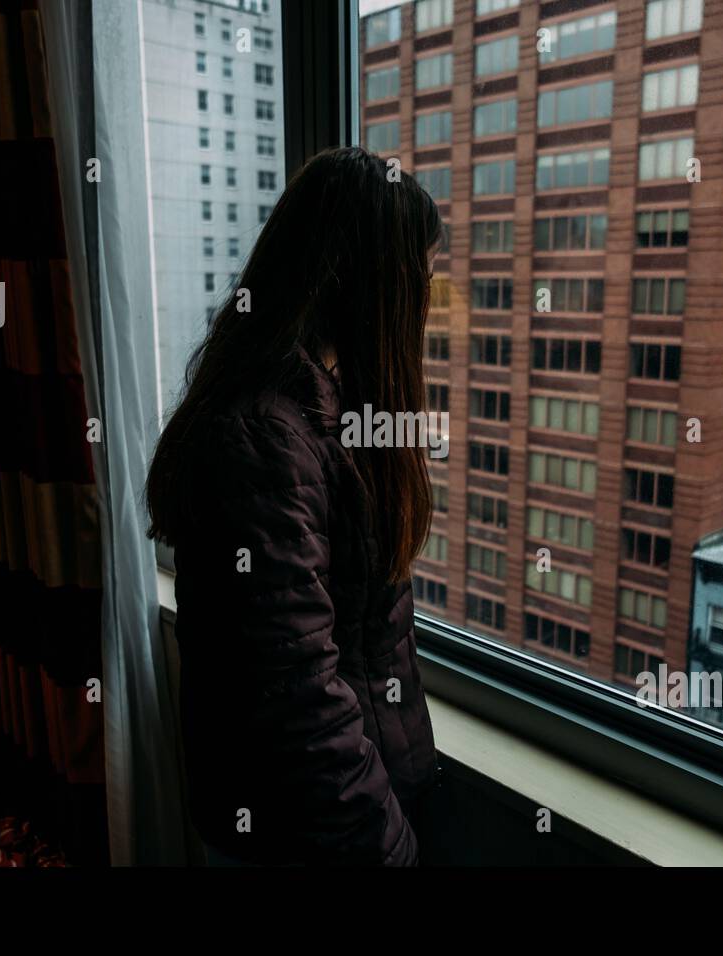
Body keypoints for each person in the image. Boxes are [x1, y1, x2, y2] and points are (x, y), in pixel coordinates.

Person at [146, 147, 445, 866]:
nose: (432, 301)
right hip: (302, 838)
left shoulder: (320, 412)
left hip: (331, 818)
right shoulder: (264, 439)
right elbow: (298, 698)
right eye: (424, 278)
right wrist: (391, 849)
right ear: (374, 285)